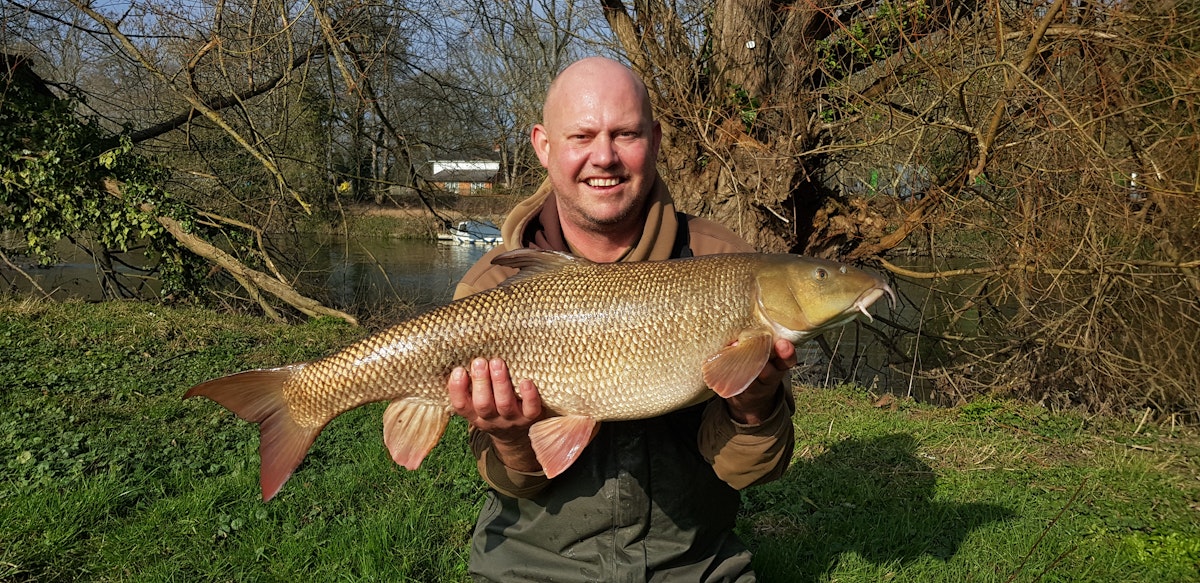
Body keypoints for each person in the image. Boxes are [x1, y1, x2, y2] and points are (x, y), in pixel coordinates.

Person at [445, 56, 798, 582]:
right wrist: (511, 439)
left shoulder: (724, 263)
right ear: (544, 145)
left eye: (625, 134)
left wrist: (753, 406)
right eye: (582, 136)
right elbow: (509, 481)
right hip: (533, 567)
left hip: (692, 567)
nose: (604, 157)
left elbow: (752, 471)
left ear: (655, 140)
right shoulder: (493, 285)